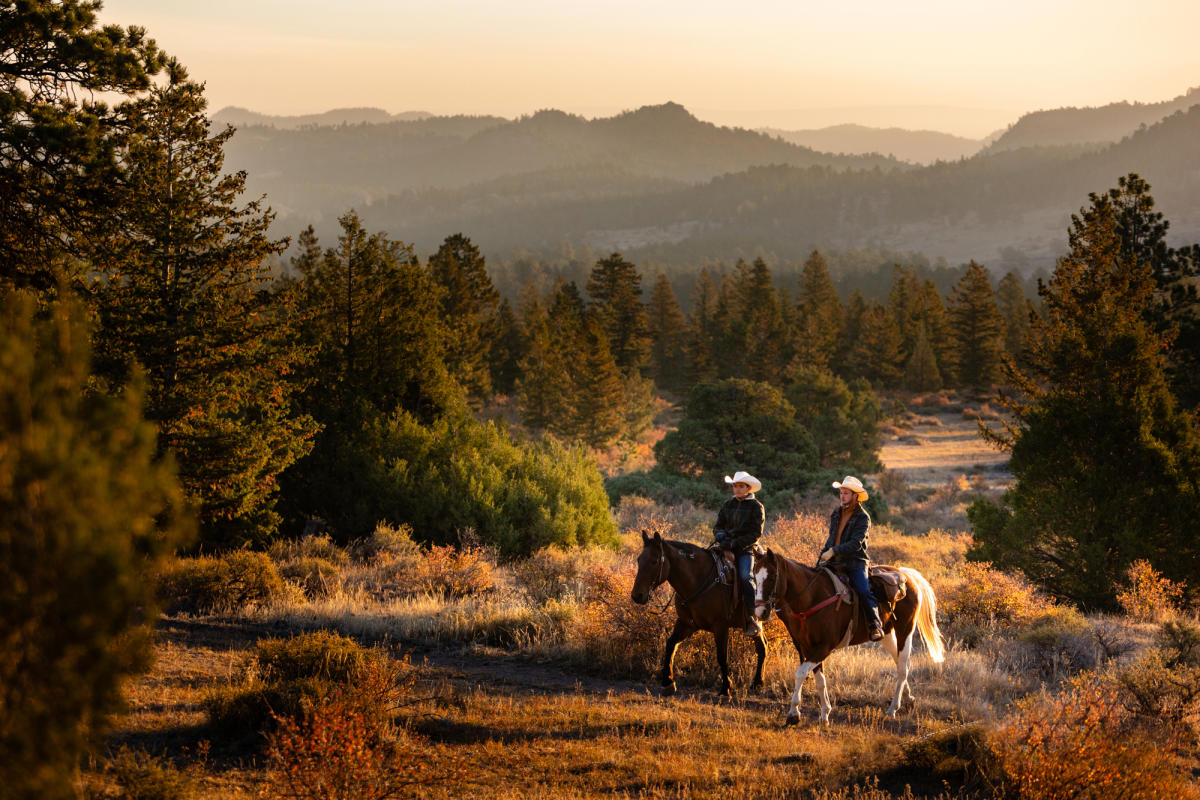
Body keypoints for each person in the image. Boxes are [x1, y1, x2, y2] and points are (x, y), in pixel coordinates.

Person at [818, 475, 884, 641]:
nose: (842, 496)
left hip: (855, 562)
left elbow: (856, 543)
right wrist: (823, 555)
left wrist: (833, 551)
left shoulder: (863, 517)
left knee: (863, 590)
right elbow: (832, 537)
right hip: (835, 561)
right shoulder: (836, 513)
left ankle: (875, 624)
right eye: (841, 492)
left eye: (846, 493)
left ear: (856, 496)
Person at [713, 470, 765, 636]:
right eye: (735, 486)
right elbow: (718, 526)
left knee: (745, 577)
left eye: (740, 486)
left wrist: (734, 543)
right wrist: (720, 536)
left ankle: (752, 617)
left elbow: (755, 534)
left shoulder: (756, 507)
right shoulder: (728, 504)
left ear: (748, 488)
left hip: (745, 548)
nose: (736, 489)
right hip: (725, 546)